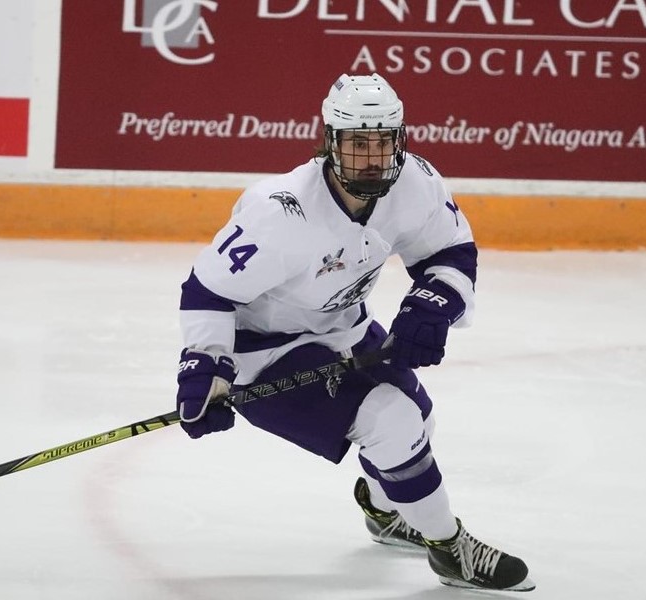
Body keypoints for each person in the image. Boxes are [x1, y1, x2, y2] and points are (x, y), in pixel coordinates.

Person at [174, 72, 534, 592]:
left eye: (382, 142)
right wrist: (204, 366)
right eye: (356, 142)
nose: (371, 156)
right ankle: (450, 549)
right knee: (392, 423)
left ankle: (385, 513)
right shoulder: (281, 212)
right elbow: (209, 291)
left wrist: (434, 304)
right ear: (330, 142)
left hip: (343, 328)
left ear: (399, 140)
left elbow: (449, 253)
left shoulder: (415, 183)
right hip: (263, 354)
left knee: (421, 418)